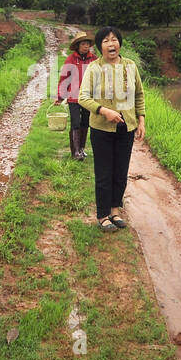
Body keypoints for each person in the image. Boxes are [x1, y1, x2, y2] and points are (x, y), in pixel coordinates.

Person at [78, 26, 145, 231]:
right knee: (104, 172)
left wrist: (141, 120)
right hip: (101, 129)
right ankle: (102, 215)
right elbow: (83, 98)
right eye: (106, 41)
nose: (111, 43)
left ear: (119, 43)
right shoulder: (94, 69)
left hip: (127, 129)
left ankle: (115, 210)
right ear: (100, 47)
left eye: (114, 39)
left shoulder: (131, 66)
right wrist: (104, 111)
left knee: (121, 171)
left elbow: (139, 95)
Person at [56, 32, 98, 160]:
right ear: (78, 46)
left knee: (85, 123)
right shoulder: (71, 59)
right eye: (83, 44)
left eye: (88, 44)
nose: (86, 47)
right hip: (74, 96)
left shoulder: (94, 59)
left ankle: (81, 149)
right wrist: (60, 96)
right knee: (75, 123)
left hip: (88, 97)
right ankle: (75, 152)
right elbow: (64, 78)